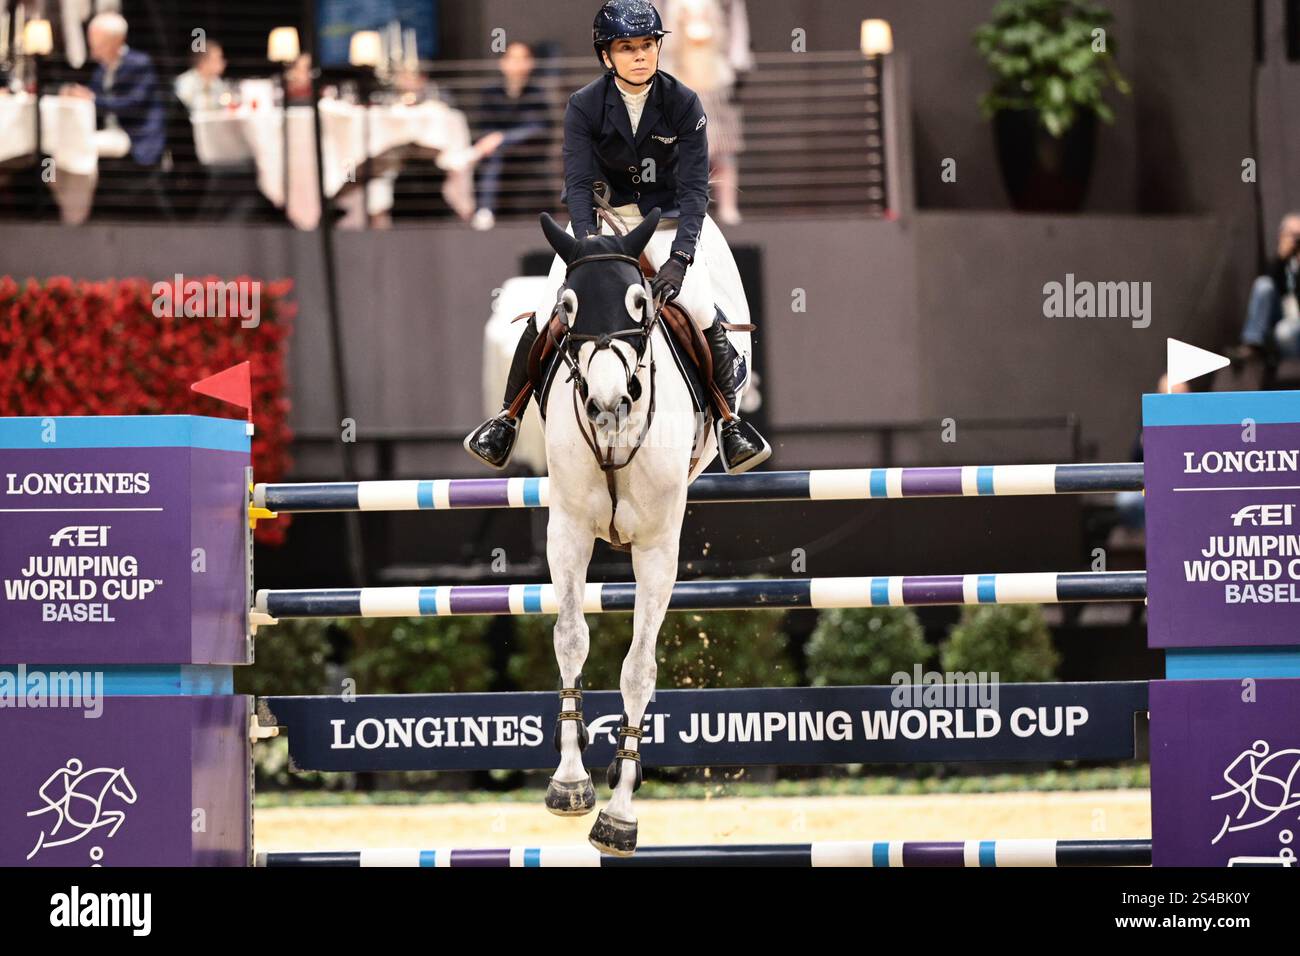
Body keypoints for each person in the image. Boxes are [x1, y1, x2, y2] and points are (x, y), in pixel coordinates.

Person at [463, 0, 770, 475]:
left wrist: (682, 258)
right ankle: (506, 418)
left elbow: (693, 193)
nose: (641, 55)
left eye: (648, 45)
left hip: (669, 222)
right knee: (547, 308)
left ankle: (730, 423)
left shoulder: (684, 102)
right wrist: (589, 249)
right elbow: (579, 186)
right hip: (603, 223)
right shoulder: (583, 105)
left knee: (704, 308)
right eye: (628, 48)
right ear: (607, 56)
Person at [62, 12, 169, 218]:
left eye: (98, 41)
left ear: (117, 40)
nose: (93, 46)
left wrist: (91, 99)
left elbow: (132, 104)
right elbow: (93, 96)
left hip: (135, 136)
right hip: (110, 132)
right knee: (70, 146)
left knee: (81, 147)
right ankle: (77, 208)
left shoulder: (139, 64)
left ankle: (78, 213)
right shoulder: (102, 69)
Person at [659, 0, 752, 225]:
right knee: (676, 150)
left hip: (717, 79)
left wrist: (738, 65)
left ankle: (728, 207)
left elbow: (738, 30)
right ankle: (681, 205)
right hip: (677, 79)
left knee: (724, 150)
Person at [471, 41, 549, 231]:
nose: (517, 64)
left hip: (527, 151)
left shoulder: (537, 93)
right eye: (512, 58)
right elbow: (484, 126)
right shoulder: (490, 92)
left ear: (531, 63)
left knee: (495, 148)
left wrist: (501, 139)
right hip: (496, 153)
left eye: (523, 58)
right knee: (493, 153)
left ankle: (485, 208)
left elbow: (536, 128)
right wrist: (494, 140)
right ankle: (483, 210)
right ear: (502, 63)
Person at [1237, 213, 1300, 361]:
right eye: (1292, 235)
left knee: (1284, 332)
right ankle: (1252, 343)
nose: (1296, 241)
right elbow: (1266, 286)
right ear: (1281, 235)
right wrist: (1280, 257)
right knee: (1263, 284)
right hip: (1279, 315)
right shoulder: (1277, 262)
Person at [174, 40, 230, 112]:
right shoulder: (185, 82)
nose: (222, 62)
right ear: (203, 62)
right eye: (218, 58)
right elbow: (188, 110)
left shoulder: (216, 82)